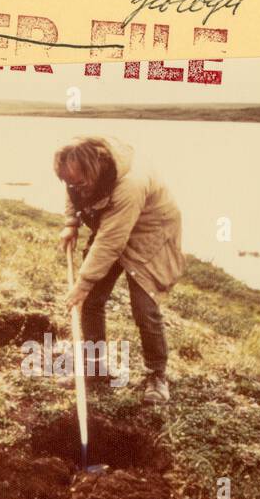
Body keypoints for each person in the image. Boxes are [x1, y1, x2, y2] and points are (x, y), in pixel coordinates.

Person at [54, 137, 184, 403]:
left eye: (81, 183)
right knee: (90, 301)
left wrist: (83, 281)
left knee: (144, 308)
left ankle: (156, 375)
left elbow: (111, 242)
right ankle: (95, 368)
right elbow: (72, 191)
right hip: (113, 226)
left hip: (151, 232)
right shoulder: (79, 169)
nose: (77, 188)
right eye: (71, 182)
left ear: (96, 168)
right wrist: (70, 222)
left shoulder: (130, 184)